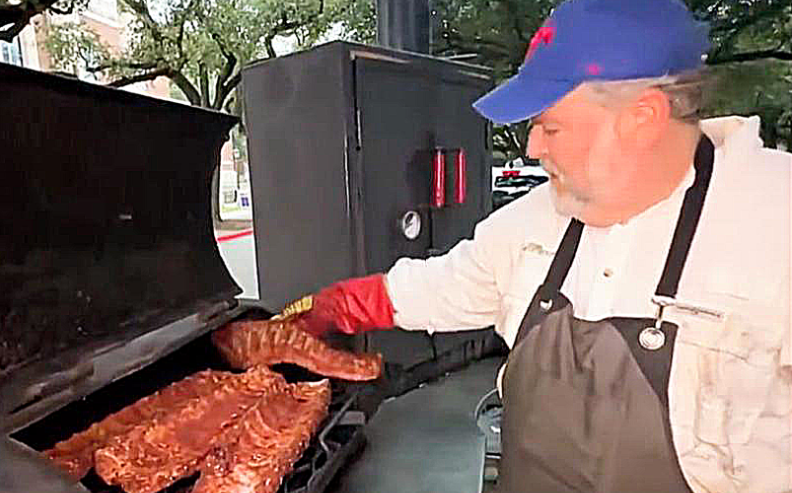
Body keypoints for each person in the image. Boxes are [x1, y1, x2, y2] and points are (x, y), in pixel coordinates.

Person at [284, 0, 792, 491]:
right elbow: (437, 286)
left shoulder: (774, 221)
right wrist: (334, 308)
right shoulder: (532, 222)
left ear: (642, 118)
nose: (532, 147)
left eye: (550, 126)